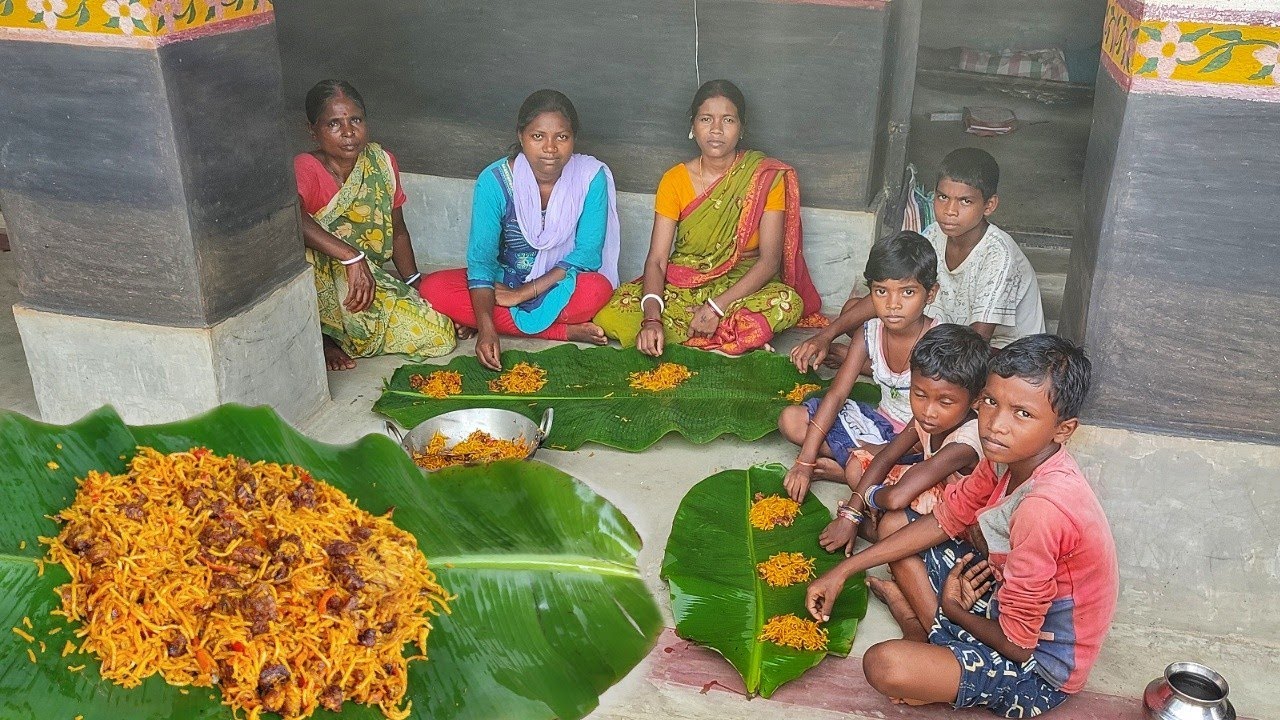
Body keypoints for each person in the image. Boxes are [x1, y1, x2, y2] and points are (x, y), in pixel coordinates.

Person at [805, 335, 1118, 717]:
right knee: (896, 528)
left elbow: (1019, 644)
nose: (995, 426)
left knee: (886, 665)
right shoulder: (1003, 458)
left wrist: (955, 609)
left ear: (1063, 429)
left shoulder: (1045, 508)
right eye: (990, 402)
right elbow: (945, 519)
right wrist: (843, 570)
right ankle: (932, 637)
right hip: (1006, 595)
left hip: (1040, 666)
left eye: (1023, 413)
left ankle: (922, 627)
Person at [593, 79, 822, 356]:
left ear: (741, 128)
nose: (716, 130)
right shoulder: (674, 180)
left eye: (728, 119)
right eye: (706, 119)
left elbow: (769, 261)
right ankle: (731, 336)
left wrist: (716, 306)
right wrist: (652, 319)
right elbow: (656, 260)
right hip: (686, 282)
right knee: (613, 313)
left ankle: (705, 327)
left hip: (742, 284)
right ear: (693, 126)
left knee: (786, 303)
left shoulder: (765, 177)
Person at [791, 147, 1044, 372]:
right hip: (946, 331)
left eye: (965, 201)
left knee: (978, 372)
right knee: (853, 311)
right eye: (943, 197)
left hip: (999, 352)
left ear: (989, 206)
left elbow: (975, 345)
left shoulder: (998, 255)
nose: (950, 211)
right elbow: (894, 285)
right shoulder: (935, 233)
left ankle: (871, 366)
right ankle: (887, 365)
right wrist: (824, 336)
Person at [422, 90, 620, 371]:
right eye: (538, 136)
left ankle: (484, 318)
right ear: (521, 136)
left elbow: (588, 254)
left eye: (561, 137)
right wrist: (488, 330)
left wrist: (524, 294)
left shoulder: (590, 177)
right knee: (434, 289)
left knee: (597, 291)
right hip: (504, 280)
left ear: (574, 138)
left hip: (561, 283)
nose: (550, 148)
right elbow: (481, 262)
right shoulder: (495, 181)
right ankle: (562, 331)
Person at [818, 323, 988, 636]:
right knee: (860, 465)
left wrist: (868, 498)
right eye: (919, 394)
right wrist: (850, 514)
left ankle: (922, 620)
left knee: (893, 521)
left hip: (965, 528)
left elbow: (896, 498)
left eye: (945, 402)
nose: (929, 411)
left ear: (975, 400)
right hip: (932, 495)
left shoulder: (966, 442)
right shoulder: (927, 416)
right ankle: (875, 531)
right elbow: (885, 457)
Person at [295, 80, 456, 371]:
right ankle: (325, 338)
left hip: (368, 275)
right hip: (322, 278)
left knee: (440, 334)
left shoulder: (381, 162)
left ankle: (346, 335)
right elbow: (293, 219)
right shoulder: (306, 168)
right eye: (334, 123)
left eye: (355, 120)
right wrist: (350, 256)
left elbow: (398, 231)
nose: (348, 132)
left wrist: (415, 283)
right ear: (313, 130)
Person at [779, 231, 939, 504]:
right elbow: (838, 395)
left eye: (908, 292)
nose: (892, 305)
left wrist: (880, 451)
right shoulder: (869, 332)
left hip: (917, 438)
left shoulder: (938, 342)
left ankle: (848, 469)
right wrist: (805, 463)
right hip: (878, 422)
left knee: (864, 466)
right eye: (881, 291)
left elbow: (935, 421)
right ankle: (859, 464)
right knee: (791, 420)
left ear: (931, 294)